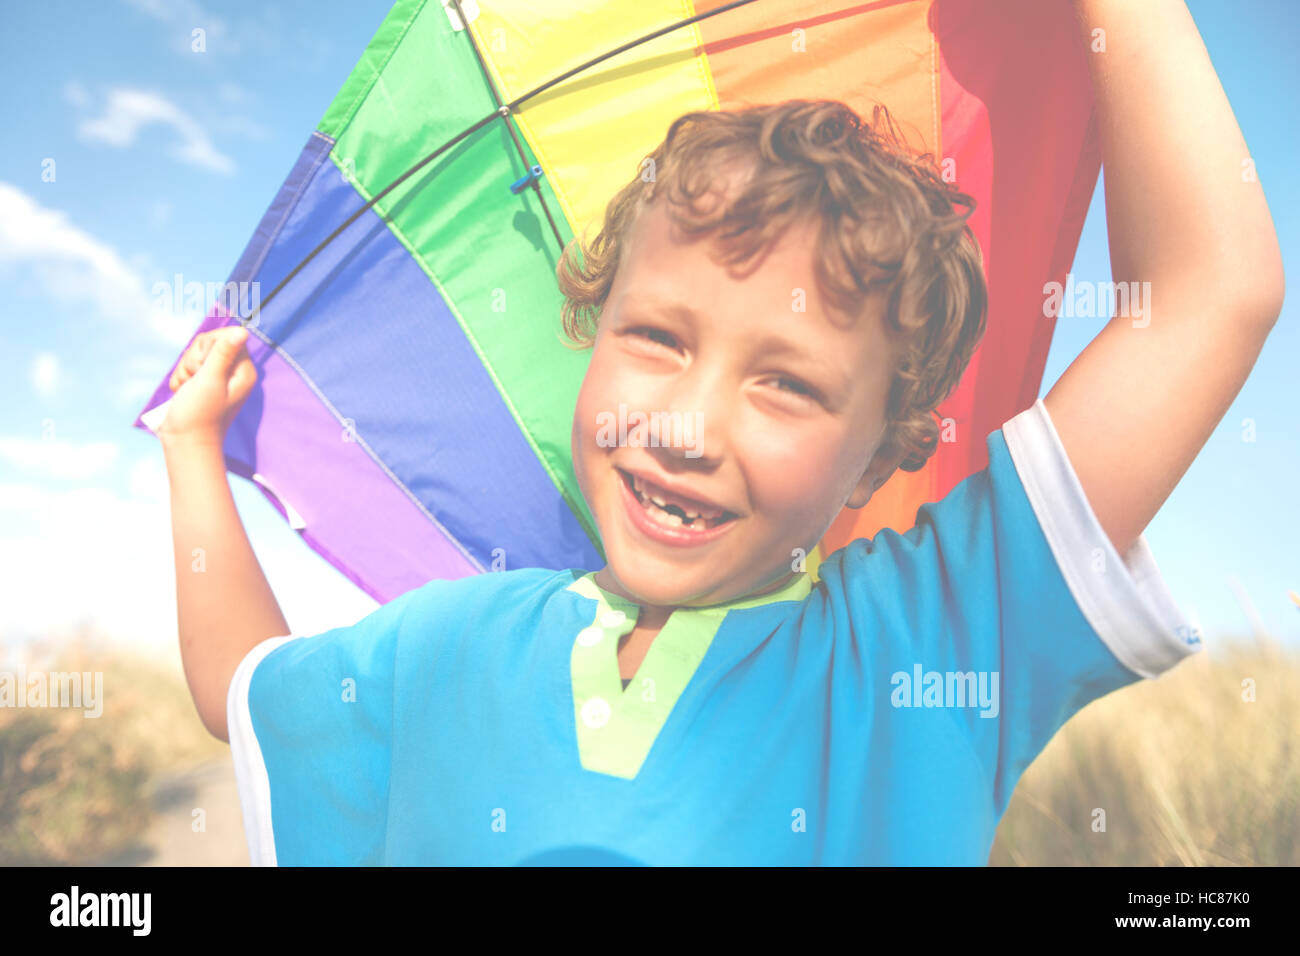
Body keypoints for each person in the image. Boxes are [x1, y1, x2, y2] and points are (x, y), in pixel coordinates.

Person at [157, 0, 1283, 865]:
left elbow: (1210, 295)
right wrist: (193, 451)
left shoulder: (924, 647)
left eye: (788, 384)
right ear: (588, 330)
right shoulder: (446, 640)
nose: (685, 426)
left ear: (883, 448)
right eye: (655, 336)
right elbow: (248, 689)